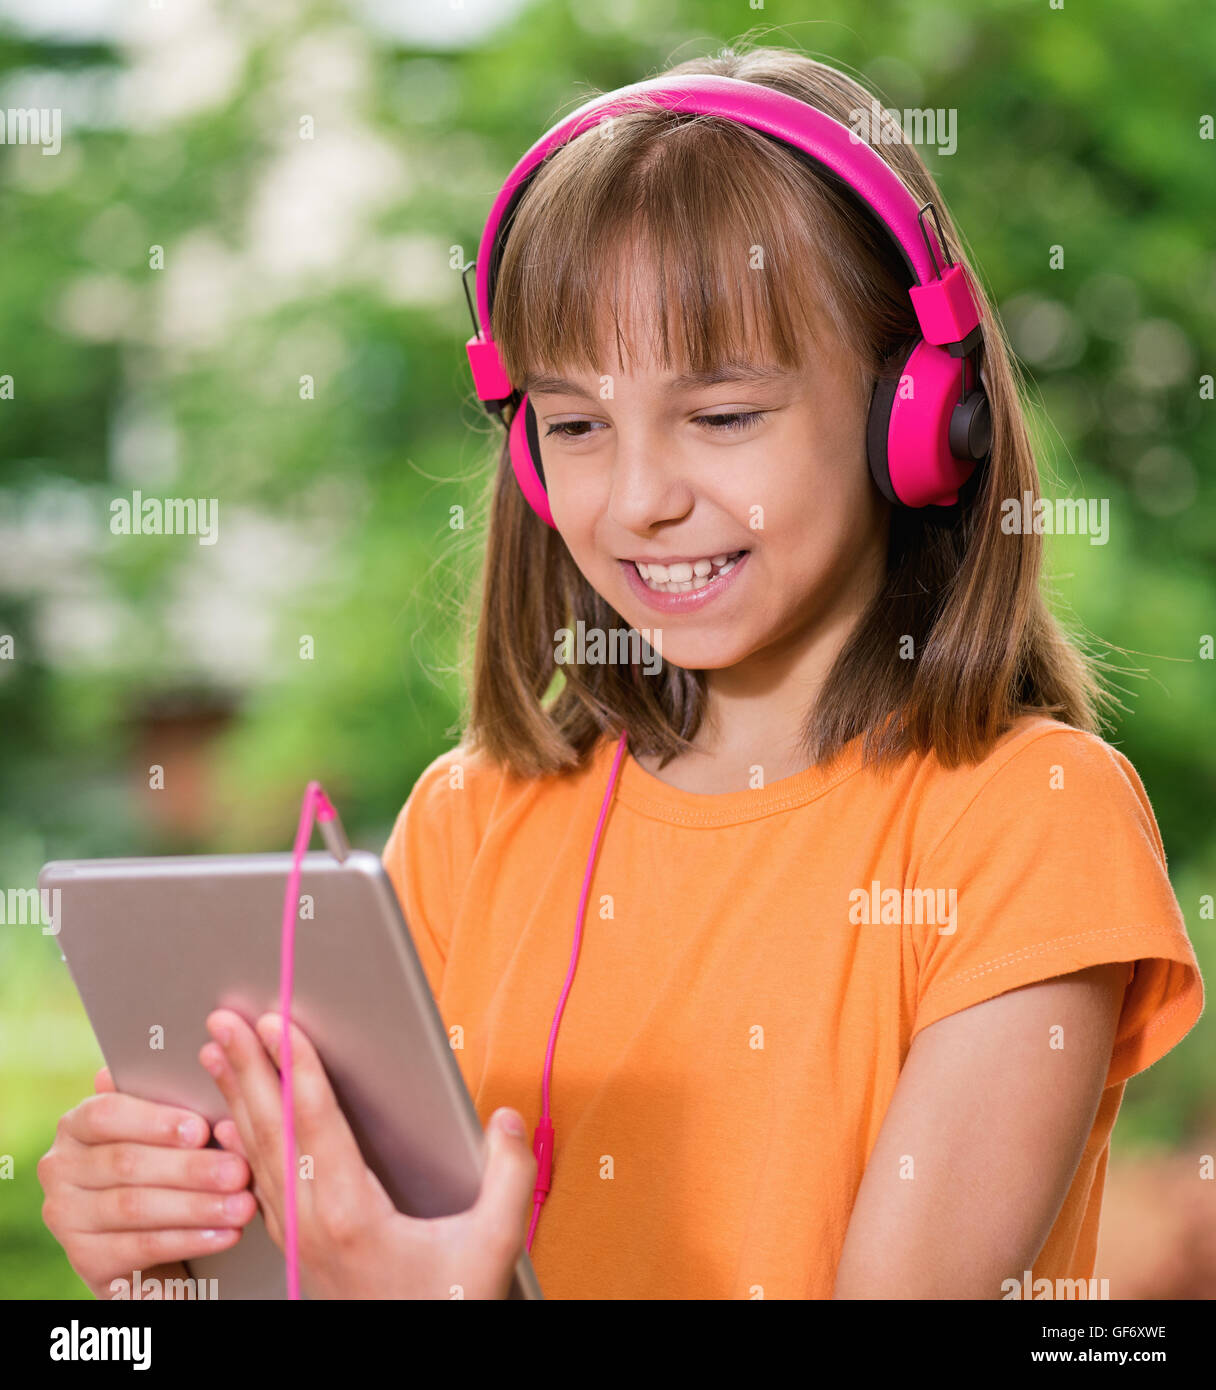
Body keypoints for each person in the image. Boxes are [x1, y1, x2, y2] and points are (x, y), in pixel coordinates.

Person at [39, 44, 1202, 1301]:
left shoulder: (1028, 822)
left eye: (722, 416)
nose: (641, 500)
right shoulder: (465, 826)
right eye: (577, 425)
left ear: (916, 417)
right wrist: (176, 1252)